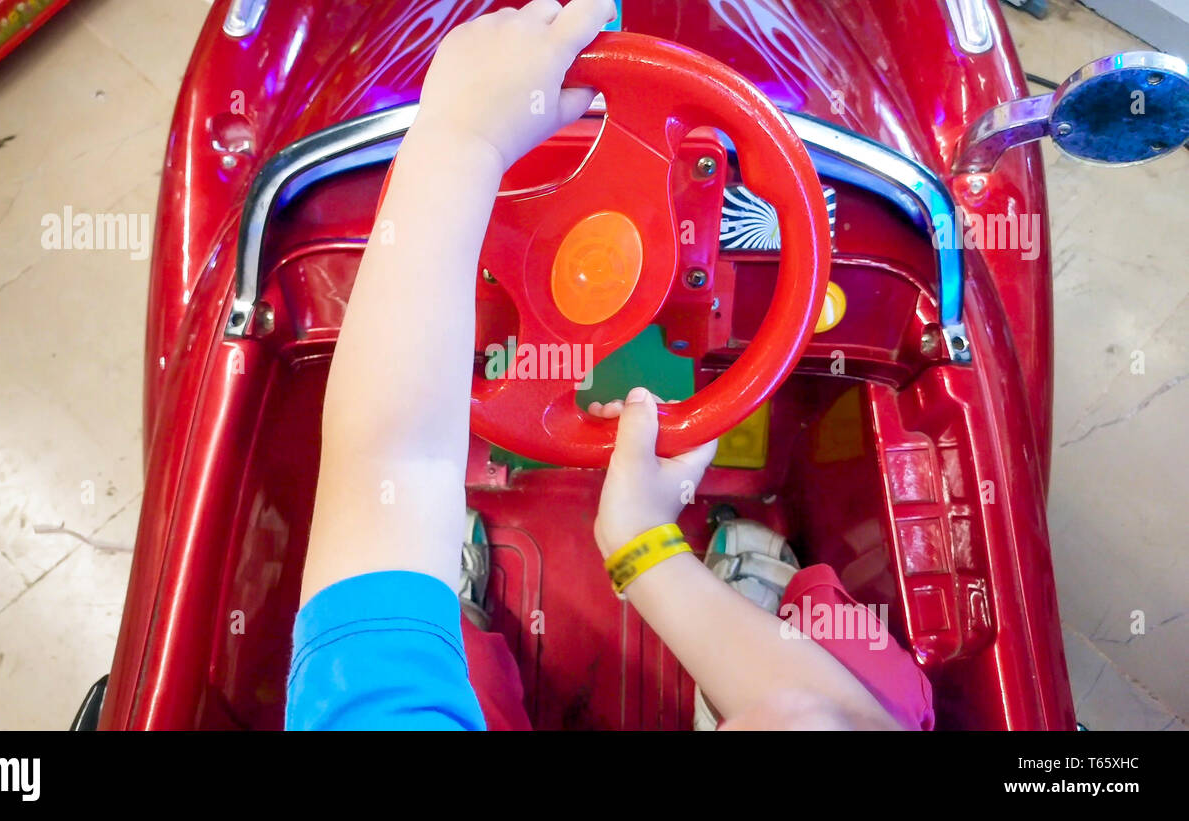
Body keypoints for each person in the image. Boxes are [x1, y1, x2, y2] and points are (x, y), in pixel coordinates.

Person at [286, 0, 933, 731]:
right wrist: (643, 546)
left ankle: (448, 628)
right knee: (886, 691)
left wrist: (458, 139)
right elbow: (825, 714)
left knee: (451, 671)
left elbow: (392, 466)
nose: (815, 717)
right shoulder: (824, 716)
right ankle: (758, 603)